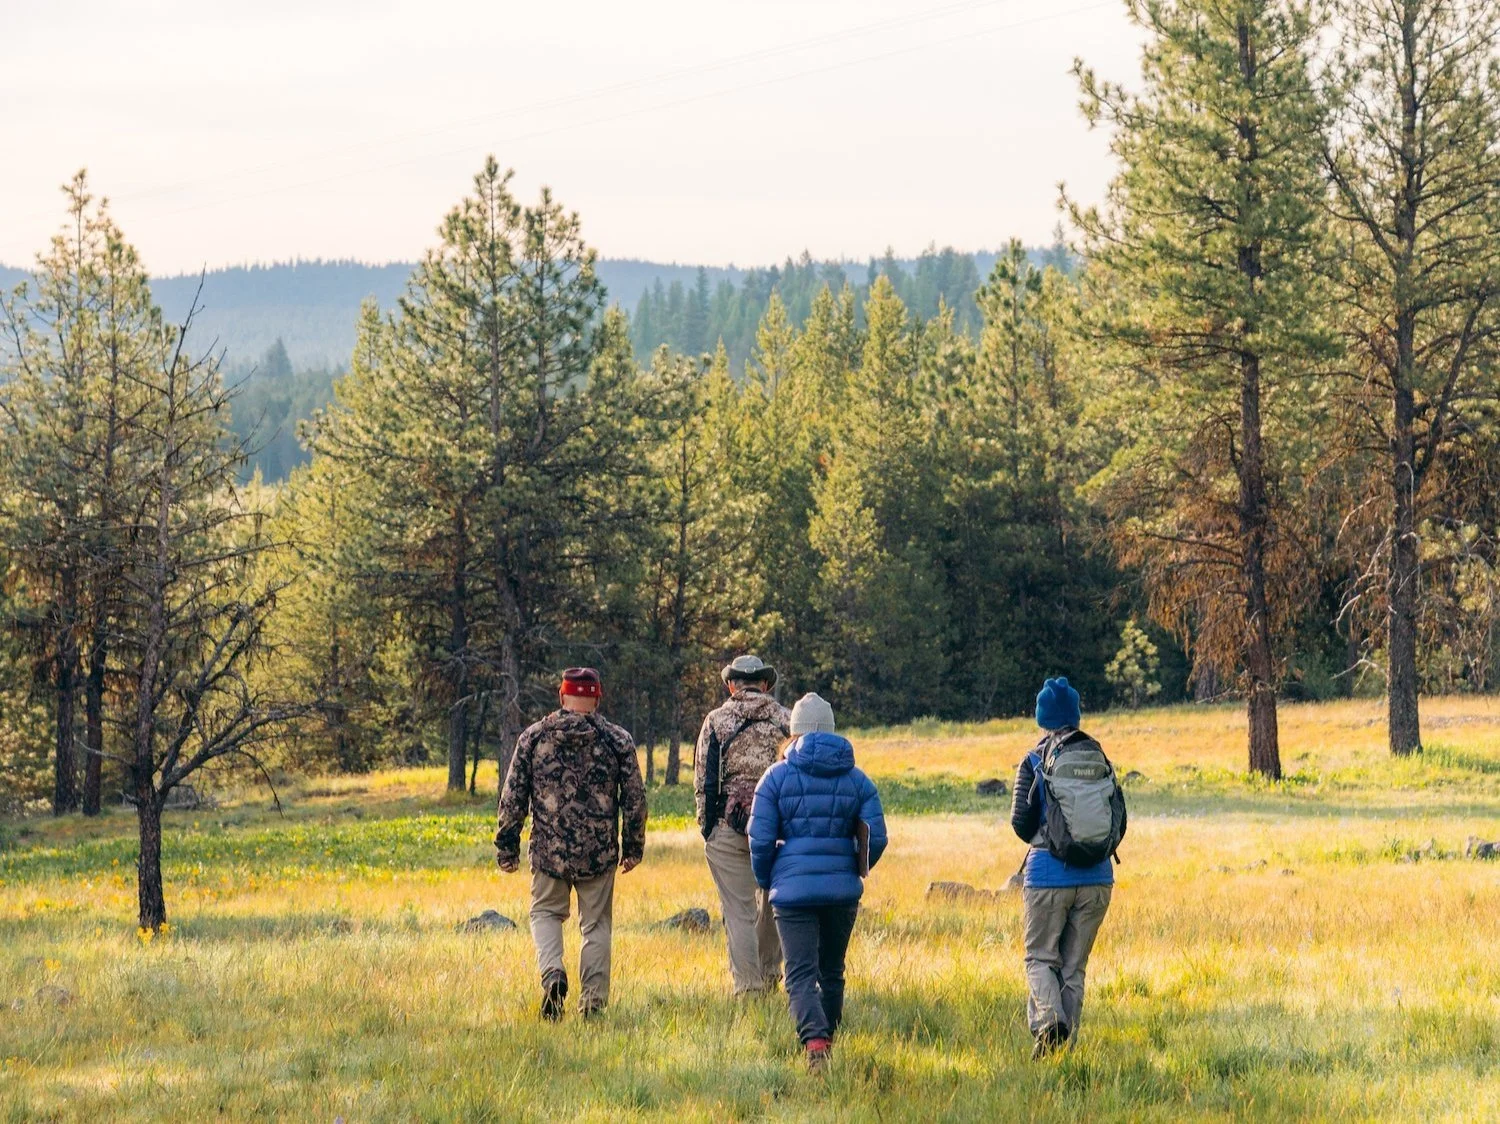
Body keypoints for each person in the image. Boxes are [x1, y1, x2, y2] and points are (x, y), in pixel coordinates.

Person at [496, 667, 647, 1021]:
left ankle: (552, 973)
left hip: (550, 851)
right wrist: (633, 846)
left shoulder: (534, 737)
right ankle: (592, 1005)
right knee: (596, 926)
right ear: (597, 697)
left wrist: (507, 846)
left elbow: (513, 795)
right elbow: (635, 799)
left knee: (545, 913)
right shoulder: (617, 739)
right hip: (599, 852)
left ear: (562, 697)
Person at [749, 693, 886, 1072]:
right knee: (832, 971)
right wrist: (855, 867)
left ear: (793, 732)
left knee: (800, 974)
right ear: (831, 730)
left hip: (792, 894)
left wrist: (769, 878)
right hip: (842, 892)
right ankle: (829, 1038)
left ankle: (815, 1043)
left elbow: (759, 839)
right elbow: (879, 836)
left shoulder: (775, 777)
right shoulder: (859, 780)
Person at [1010, 676, 1124, 1058]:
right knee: (1073, 969)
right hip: (1098, 878)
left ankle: (1049, 1022)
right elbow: (1119, 819)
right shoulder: (1099, 756)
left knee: (1040, 958)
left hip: (1046, 877)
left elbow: (1021, 824)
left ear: (1042, 718)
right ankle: (1062, 1054)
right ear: (1075, 716)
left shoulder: (1033, 760)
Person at [694, 654, 790, 996]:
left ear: (731, 684)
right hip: (778, 829)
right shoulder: (786, 720)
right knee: (774, 903)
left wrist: (708, 828)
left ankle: (748, 989)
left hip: (728, 826)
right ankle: (768, 976)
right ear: (765, 684)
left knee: (738, 911)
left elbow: (705, 780)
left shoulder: (716, 720)